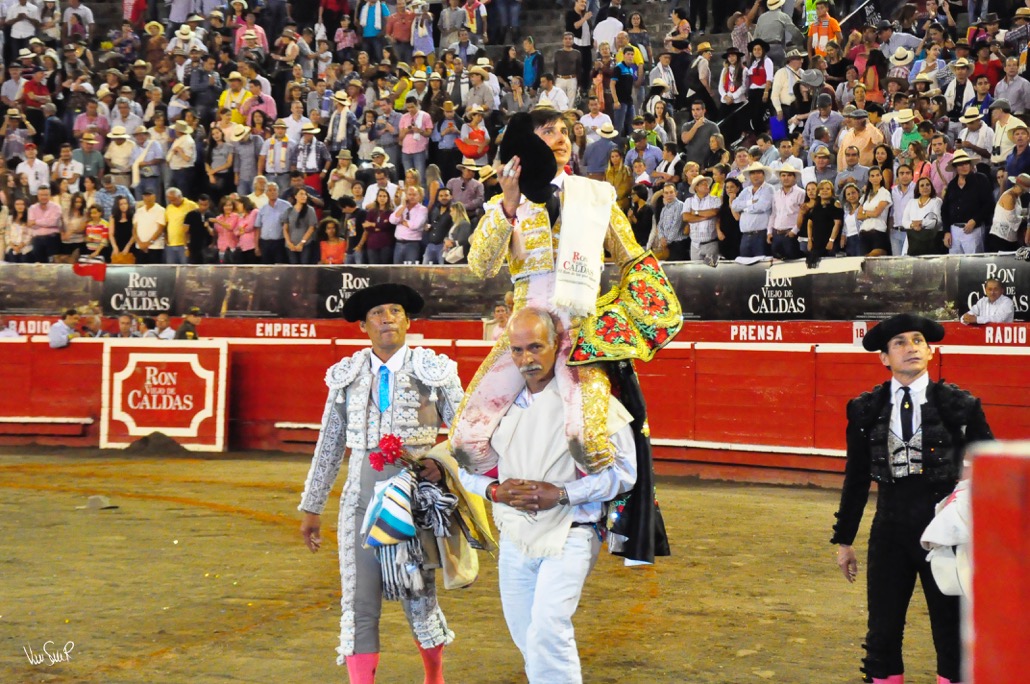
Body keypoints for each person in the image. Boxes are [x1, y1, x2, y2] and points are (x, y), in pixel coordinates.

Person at [455, 107, 674, 568]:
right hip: (526, 332)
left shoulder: (596, 195)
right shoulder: (503, 205)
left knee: (587, 438)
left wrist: (638, 309)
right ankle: (511, 496)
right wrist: (509, 204)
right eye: (547, 131)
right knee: (466, 440)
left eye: (564, 131)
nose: (559, 138)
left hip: (581, 330)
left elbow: (633, 257)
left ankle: (595, 521)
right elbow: (479, 266)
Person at [454, 307, 637, 684]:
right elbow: (464, 468)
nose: (526, 359)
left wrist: (564, 493)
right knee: (527, 635)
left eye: (535, 347)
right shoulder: (494, 407)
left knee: (548, 629)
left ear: (557, 344)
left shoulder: (588, 400)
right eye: (518, 350)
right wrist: (493, 490)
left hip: (571, 531)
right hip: (515, 535)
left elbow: (625, 472)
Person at [298, 283, 465, 684]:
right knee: (358, 600)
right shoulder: (347, 374)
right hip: (359, 497)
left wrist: (440, 462)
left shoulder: (434, 369)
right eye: (377, 313)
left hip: (415, 496)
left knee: (418, 594)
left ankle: (434, 678)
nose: (387, 318)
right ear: (363, 326)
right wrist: (311, 506)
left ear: (408, 320)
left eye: (394, 311)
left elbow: (465, 429)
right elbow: (330, 443)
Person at [832, 314, 994, 684]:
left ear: (930, 351)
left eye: (918, 341)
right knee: (882, 632)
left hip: (944, 532)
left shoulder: (960, 405)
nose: (911, 348)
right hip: (889, 530)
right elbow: (856, 477)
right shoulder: (864, 408)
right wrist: (844, 540)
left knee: (951, 629)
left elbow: (992, 469)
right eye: (900, 343)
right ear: (884, 358)